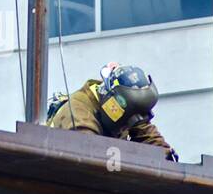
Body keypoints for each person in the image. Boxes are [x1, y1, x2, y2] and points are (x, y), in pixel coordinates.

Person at [46, 62, 178, 161]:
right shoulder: (78, 115)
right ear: (111, 99)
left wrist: (166, 159)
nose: (130, 123)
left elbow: (152, 141)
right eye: (128, 117)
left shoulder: (125, 107)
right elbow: (91, 161)